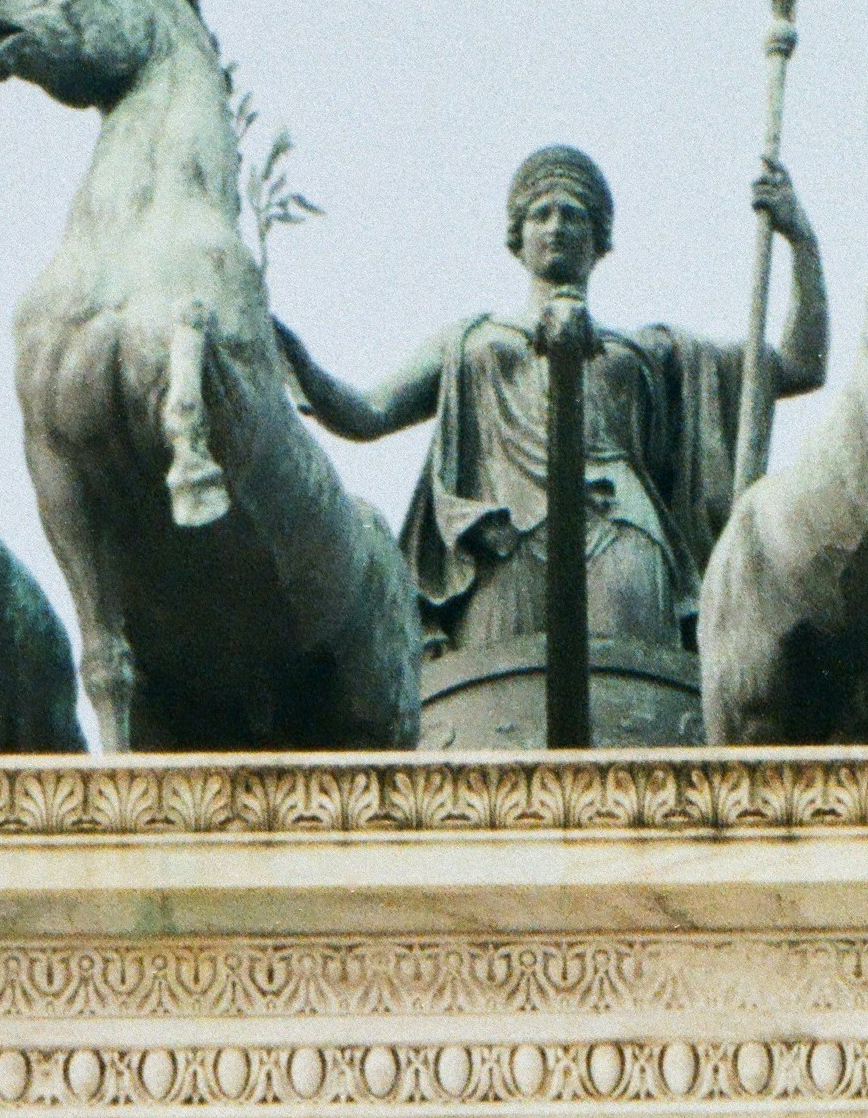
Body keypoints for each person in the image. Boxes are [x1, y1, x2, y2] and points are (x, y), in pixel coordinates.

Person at [282, 146, 825, 749]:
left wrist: (800, 239)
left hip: (622, 537)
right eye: (541, 213)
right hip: (501, 544)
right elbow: (367, 413)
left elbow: (801, 364)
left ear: (599, 240)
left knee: (637, 718)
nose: (557, 225)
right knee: (493, 720)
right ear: (517, 237)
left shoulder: (647, 352)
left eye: (574, 214)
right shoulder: (472, 343)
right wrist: (289, 358)